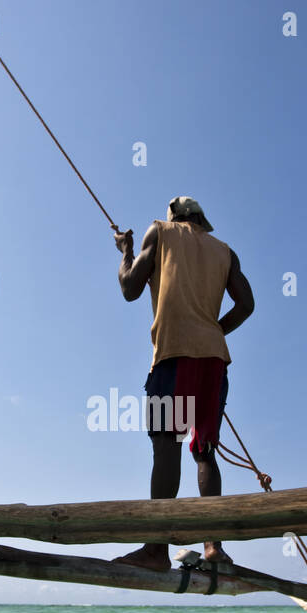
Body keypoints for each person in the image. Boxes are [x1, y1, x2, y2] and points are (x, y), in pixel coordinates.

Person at [111, 196, 255, 571]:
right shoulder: (225, 251)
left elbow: (130, 288)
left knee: (167, 446)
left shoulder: (158, 231)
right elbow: (247, 304)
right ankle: (213, 548)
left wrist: (125, 251)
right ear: (201, 220)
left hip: (173, 357)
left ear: (173, 216)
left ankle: (156, 550)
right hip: (213, 361)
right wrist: (211, 333)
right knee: (204, 451)